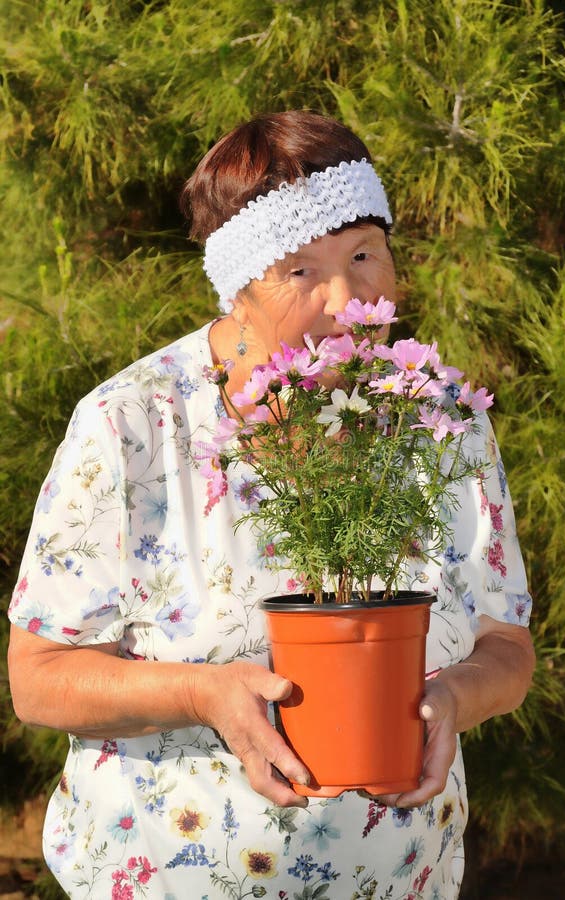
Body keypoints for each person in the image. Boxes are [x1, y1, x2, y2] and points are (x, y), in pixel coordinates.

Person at [7, 110, 535, 899]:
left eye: (365, 256)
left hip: (401, 882)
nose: (346, 297)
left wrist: (454, 696)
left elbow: (506, 645)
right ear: (238, 286)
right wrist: (202, 692)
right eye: (300, 272)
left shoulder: (440, 414)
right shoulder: (134, 424)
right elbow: (41, 678)